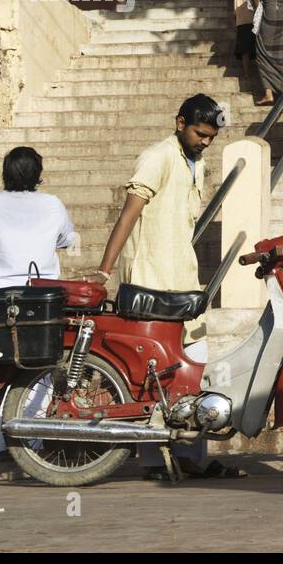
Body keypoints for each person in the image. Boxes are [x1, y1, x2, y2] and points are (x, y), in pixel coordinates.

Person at [92, 94, 245, 480]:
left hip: (180, 279)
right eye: (199, 133)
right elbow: (128, 214)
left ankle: (191, 456)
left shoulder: (198, 162)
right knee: (149, 374)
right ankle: (153, 462)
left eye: (211, 136)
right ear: (180, 123)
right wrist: (104, 270)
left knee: (192, 366)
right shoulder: (156, 156)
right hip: (148, 278)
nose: (205, 141)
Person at [0, 147, 77, 466]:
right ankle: (32, 444)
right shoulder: (52, 204)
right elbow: (66, 239)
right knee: (38, 374)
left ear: (4, 173)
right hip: (38, 302)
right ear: (39, 174)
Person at [232, 0, 257, 82]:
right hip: (253, 24)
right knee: (256, 49)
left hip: (241, 25)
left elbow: (235, 14)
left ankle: (246, 73)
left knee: (245, 52)